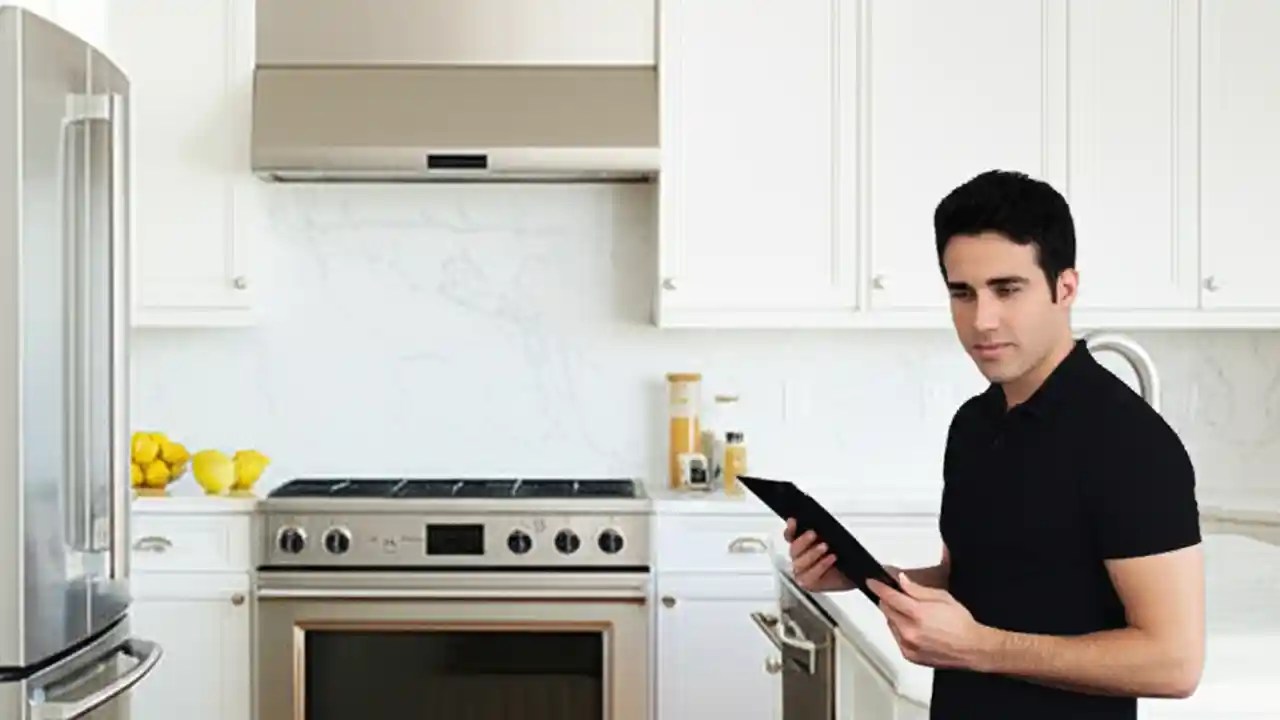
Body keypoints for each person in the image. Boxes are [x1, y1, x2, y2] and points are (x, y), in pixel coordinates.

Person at [784, 169, 1205, 719]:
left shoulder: (1130, 442)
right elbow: (976, 580)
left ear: (1065, 288)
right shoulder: (974, 425)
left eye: (1007, 290)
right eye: (962, 293)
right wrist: (866, 577)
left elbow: (1174, 663)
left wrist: (978, 648)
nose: (982, 320)